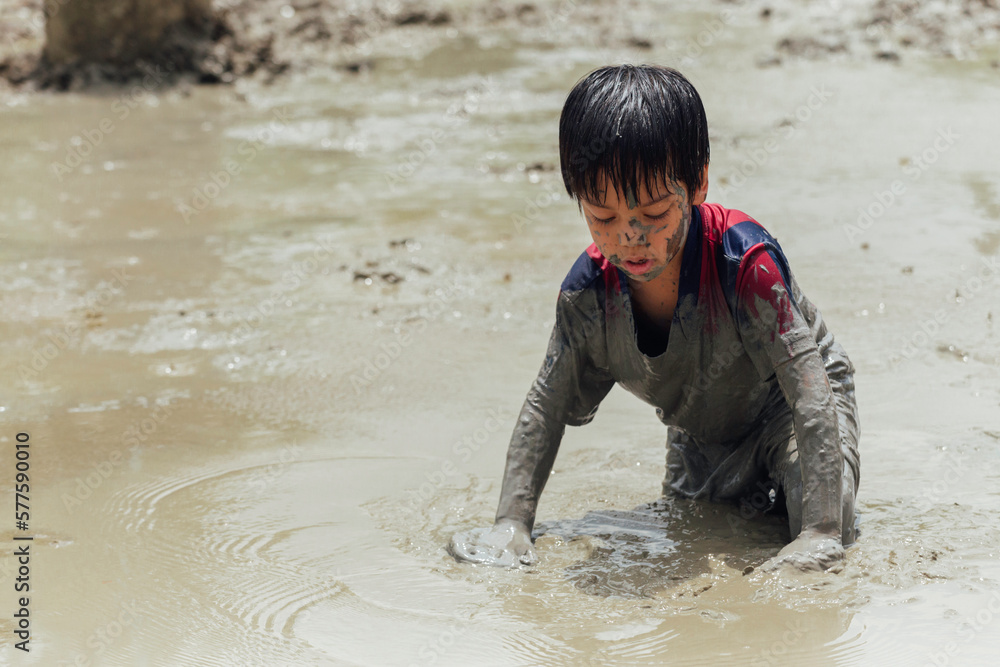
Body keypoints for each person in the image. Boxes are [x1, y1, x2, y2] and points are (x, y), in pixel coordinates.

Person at [449, 64, 860, 572]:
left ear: (698, 183)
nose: (630, 236)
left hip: (791, 411)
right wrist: (511, 525)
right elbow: (545, 408)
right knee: (692, 533)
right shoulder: (588, 297)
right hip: (699, 432)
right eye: (604, 217)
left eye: (655, 214)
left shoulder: (745, 264)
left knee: (822, 521)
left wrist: (818, 534)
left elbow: (810, 390)